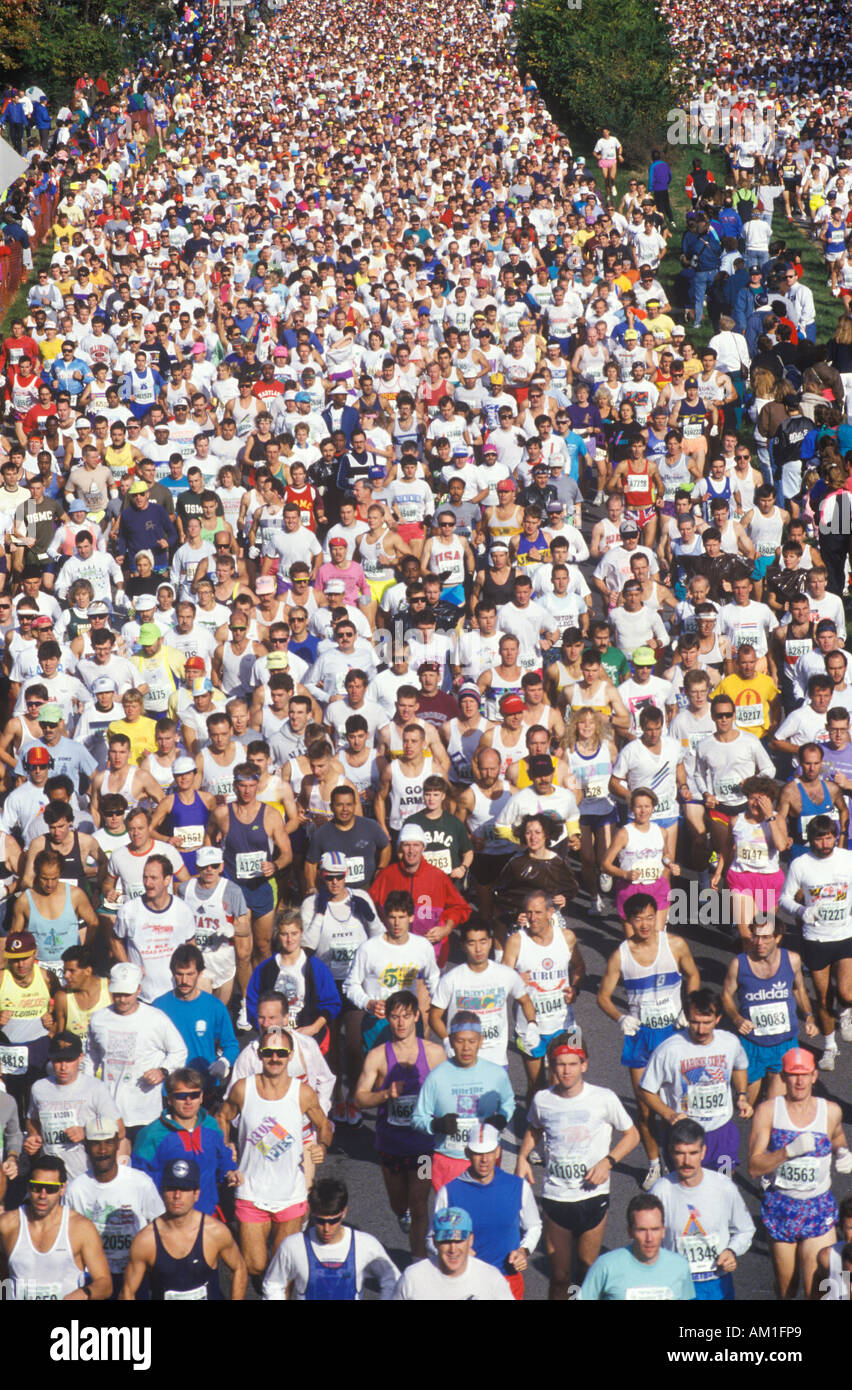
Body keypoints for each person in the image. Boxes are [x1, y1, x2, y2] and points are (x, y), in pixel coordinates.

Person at [518, 1036, 639, 1299]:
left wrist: (608, 1162)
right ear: (551, 1066)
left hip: (592, 1195)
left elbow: (632, 1135)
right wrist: (522, 1158)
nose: (566, 1070)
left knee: (587, 1272)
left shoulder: (603, 1098)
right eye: (560, 1064)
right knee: (560, 1276)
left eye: (573, 1063)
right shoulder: (542, 1099)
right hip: (556, 1195)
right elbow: (535, 1128)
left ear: (584, 1065)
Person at [217, 1023, 332, 1288]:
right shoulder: (243, 1089)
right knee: (256, 1264)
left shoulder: (302, 1093)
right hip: (251, 1190)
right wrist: (225, 1149)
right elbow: (222, 1116)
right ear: (259, 1055)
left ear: (291, 1056)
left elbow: (324, 1124)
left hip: (290, 1191)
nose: (275, 1059)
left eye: (281, 1054)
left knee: (284, 1268)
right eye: (269, 1052)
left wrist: (322, 1147)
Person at [597, 892, 700, 1187]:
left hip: (674, 1031)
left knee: (683, 1099)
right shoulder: (621, 954)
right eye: (637, 918)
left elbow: (693, 975)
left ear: (658, 916)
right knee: (645, 1105)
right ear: (628, 921)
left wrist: (687, 1007)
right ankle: (654, 1163)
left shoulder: (675, 945)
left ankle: (689, 1159)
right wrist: (620, 1017)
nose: (644, 924)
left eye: (649, 916)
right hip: (641, 1037)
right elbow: (603, 997)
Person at [749, 1047, 849, 1300]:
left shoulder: (831, 1110)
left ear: (815, 1075)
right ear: (783, 1077)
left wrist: (843, 1152)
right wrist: (787, 1152)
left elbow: (837, 1135)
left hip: (817, 1207)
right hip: (781, 1206)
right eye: (793, 1074)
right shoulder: (769, 1111)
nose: (799, 1081)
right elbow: (754, 1166)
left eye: (805, 1074)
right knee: (787, 1289)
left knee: (815, 1290)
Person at [353, 988, 444, 1257]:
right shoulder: (378, 1056)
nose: (401, 1022)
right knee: (399, 1204)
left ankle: (417, 1262)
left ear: (417, 1016)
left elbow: (447, 1092)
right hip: (391, 1145)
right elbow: (359, 1098)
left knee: (419, 1204)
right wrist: (385, 1094)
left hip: (424, 1146)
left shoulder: (435, 1054)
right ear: (389, 1020)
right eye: (395, 1017)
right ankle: (401, 1214)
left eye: (406, 1016)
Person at [640, 988, 752, 1174]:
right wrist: (669, 1115)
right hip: (684, 1136)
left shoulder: (730, 1042)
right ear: (686, 1018)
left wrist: (741, 1095)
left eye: (707, 1022)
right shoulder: (668, 1050)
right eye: (694, 1022)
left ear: (718, 1019)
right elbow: (646, 1090)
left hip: (721, 1133)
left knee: (723, 1186)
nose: (701, 1029)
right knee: (685, 1191)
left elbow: (739, 1066)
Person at [432, 1121, 541, 1299]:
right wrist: (455, 1252)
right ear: (467, 1153)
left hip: (507, 1280)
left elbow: (534, 1226)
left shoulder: (518, 1187)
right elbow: (431, 1238)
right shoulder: (449, 1192)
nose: (484, 1159)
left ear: (498, 1152)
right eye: (478, 1153)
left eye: (489, 1152)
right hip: (465, 1281)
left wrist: (524, 1251)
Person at [411, 1011, 515, 1193]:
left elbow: (508, 1103)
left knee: (485, 1216)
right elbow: (418, 1117)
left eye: (472, 1041)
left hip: (485, 1158)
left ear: (481, 1041)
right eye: (460, 1041)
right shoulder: (436, 1077)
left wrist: (502, 1119)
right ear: (450, 1041)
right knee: (453, 1218)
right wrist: (437, 1125)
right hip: (449, 1159)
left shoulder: (496, 1074)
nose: (466, 1048)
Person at [779, 815, 852, 1071]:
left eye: (830, 837)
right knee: (823, 999)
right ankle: (830, 1047)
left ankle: (846, 1012)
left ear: (836, 836)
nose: (825, 843)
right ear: (811, 840)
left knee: (846, 992)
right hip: (815, 938)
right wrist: (801, 912)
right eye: (820, 839)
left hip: (845, 935)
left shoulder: (847, 859)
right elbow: (784, 899)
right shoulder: (801, 864)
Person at [652, 1119, 755, 1300]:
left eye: (693, 1153)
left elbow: (745, 1229)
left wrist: (732, 1251)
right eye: (680, 1153)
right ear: (671, 1153)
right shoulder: (660, 1191)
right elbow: (646, 1237)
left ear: (703, 1152)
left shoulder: (724, 1187)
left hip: (716, 1283)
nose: (686, 1161)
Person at [120, 1156, 247, 1301]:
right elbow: (127, 1291)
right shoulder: (146, 1241)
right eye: (172, 1188)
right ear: (162, 1191)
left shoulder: (215, 1232)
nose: (177, 1196)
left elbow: (239, 1268)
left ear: (196, 1194)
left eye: (185, 1189)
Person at [86, 962, 187, 1141]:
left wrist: (163, 1071)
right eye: (117, 994)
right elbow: (92, 1056)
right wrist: (85, 1087)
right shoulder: (99, 1019)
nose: (122, 1000)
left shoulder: (156, 1018)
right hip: (110, 1111)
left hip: (146, 1112)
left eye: (127, 994)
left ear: (139, 989)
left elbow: (179, 1051)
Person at [722, 920, 818, 1106]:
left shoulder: (792, 960)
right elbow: (726, 995)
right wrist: (736, 1018)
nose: (759, 943)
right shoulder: (739, 963)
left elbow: (799, 989)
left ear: (778, 938)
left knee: (775, 1110)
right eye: (755, 936)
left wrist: (809, 1016)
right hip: (752, 1044)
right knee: (748, 1107)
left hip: (784, 1043)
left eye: (766, 937)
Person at [67, 1116, 165, 1297]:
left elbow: (160, 1226)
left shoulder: (140, 1182)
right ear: (86, 1147)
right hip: (93, 1277)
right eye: (96, 1144)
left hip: (135, 1273)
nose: (102, 1150)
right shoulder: (76, 1189)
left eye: (108, 1143)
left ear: (118, 1144)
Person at [503, 890, 584, 1103]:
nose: (533, 918)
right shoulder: (516, 941)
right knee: (537, 1086)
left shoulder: (566, 938)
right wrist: (515, 977)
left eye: (538, 912)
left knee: (564, 1081)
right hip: (530, 1027)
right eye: (528, 913)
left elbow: (578, 967)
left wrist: (575, 988)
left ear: (550, 912)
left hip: (562, 1023)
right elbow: (500, 981)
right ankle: (534, 1129)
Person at [262, 1177, 400, 1300]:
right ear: (312, 1213)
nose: (327, 1228)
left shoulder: (365, 1245)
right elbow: (273, 1284)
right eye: (320, 1221)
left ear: (344, 1212)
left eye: (334, 1221)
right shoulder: (293, 1246)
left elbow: (393, 1280)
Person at [0, 1152, 113, 1301]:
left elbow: (105, 1284)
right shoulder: (8, 1224)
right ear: (28, 1187)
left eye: (51, 1188)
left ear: (62, 1189)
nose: (43, 1195)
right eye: (37, 1187)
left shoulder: (81, 1229)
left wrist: (82, 1294)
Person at [431, 918, 538, 1067]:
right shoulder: (451, 979)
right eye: (471, 943)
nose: (478, 949)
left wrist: (532, 1024)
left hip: (497, 1061)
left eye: (482, 941)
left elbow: (525, 1001)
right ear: (463, 946)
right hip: (462, 1060)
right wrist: (447, 1041)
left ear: (490, 942)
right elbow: (434, 1016)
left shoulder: (506, 974)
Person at [132, 1065, 238, 1215]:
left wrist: (230, 1171)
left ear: (201, 1097)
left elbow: (222, 1157)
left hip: (206, 1214)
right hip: (167, 1218)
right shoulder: (151, 1134)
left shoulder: (211, 1126)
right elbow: (139, 1179)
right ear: (169, 1099)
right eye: (181, 1096)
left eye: (194, 1095)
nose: (188, 1101)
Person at [25, 1029, 122, 1182]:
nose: (63, 1067)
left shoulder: (95, 1088)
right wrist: (33, 1136)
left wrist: (87, 1132)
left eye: (69, 1060)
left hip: (85, 1175)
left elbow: (119, 1129)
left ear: (80, 1057)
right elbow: (32, 1119)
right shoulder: (39, 1088)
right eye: (57, 1060)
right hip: (51, 1178)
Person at [109, 854, 197, 1005]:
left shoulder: (183, 910)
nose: (147, 883)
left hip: (175, 994)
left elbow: (191, 947)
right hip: (142, 996)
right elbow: (115, 940)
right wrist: (129, 967)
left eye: (154, 878)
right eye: (145, 877)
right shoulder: (129, 910)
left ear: (167, 880)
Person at [579, 1193, 695, 1301]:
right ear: (630, 1232)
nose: (649, 1238)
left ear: (663, 1231)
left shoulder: (680, 1267)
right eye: (642, 1230)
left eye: (655, 1229)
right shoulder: (605, 1267)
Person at [392, 1205, 514, 1301]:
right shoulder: (412, 1278)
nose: (453, 1249)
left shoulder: (491, 1278)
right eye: (446, 1241)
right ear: (435, 1242)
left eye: (459, 1240)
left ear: (470, 1240)